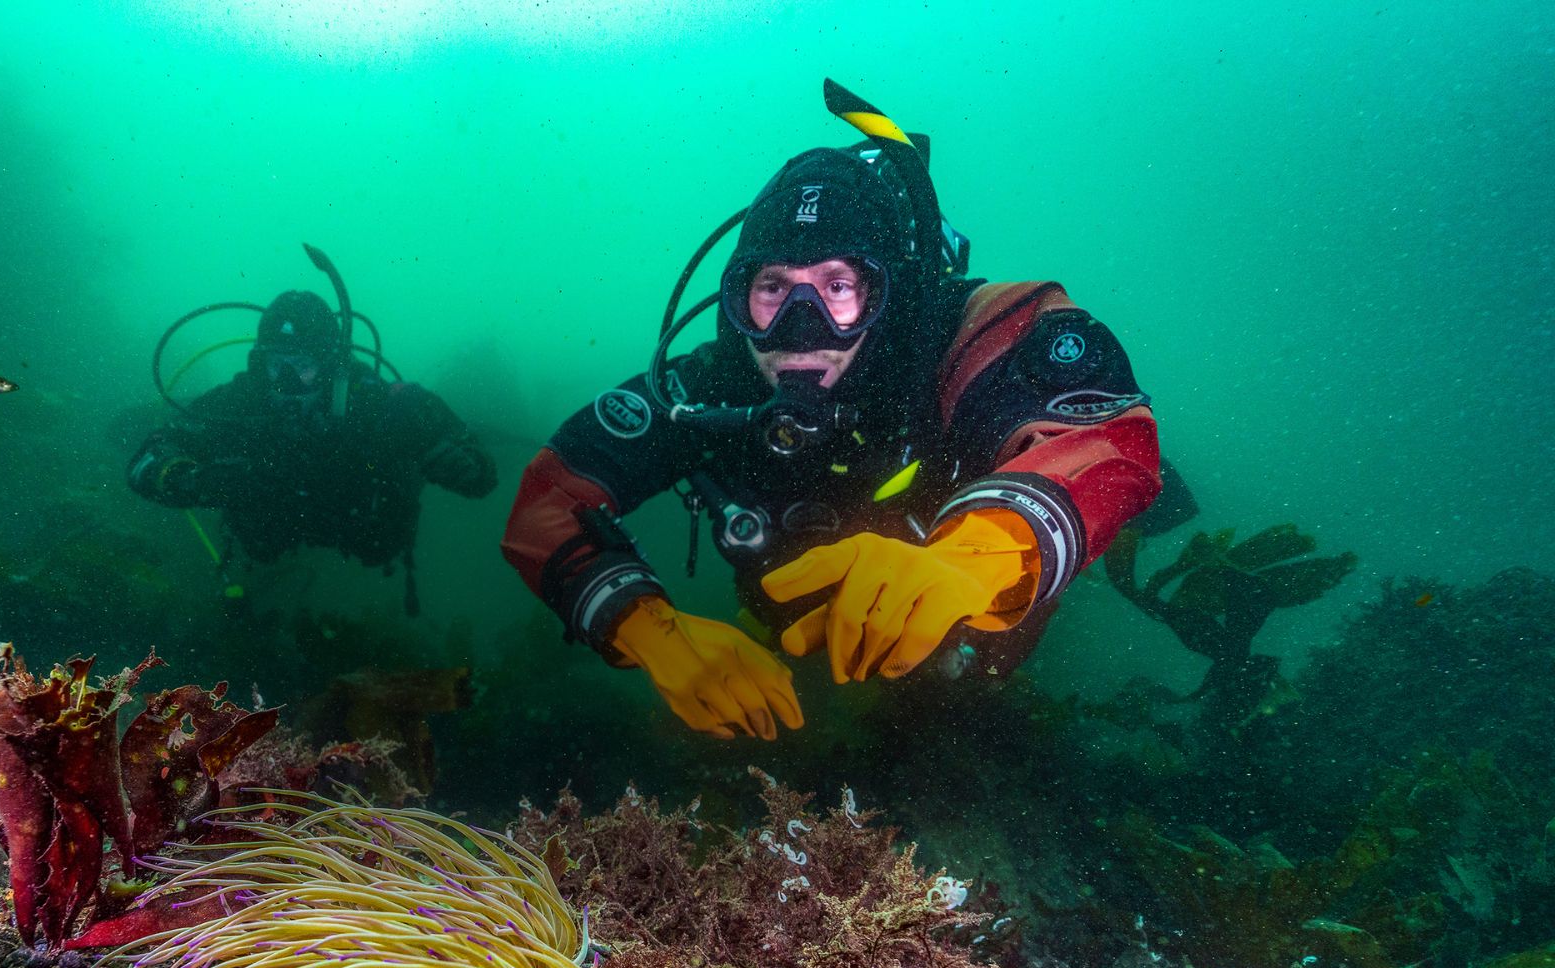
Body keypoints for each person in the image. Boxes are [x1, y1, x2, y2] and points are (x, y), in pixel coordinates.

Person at [500, 81, 1161, 739]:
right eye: (773, 288)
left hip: (965, 643)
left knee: (963, 702)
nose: (799, 325)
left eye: (839, 287)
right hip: (789, 623)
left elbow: (1108, 437)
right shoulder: (708, 384)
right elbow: (548, 498)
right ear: (737, 297)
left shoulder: (956, 332)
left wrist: (974, 556)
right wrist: (645, 626)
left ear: (889, 293)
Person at [130, 256, 495, 612]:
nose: (288, 382)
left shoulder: (375, 402)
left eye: (303, 366)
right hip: (274, 536)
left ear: (330, 366)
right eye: (278, 365)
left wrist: (456, 462)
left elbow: (483, 477)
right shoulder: (242, 400)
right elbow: (147, 459)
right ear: (261, 364)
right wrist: (194, 481)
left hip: (364, 535)